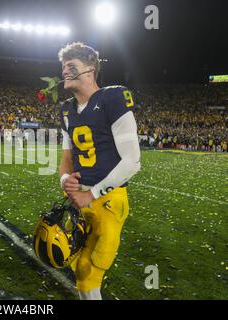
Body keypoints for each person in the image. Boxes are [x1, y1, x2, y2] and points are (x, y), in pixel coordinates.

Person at [57, 42, 141, 300]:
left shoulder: (113, 97)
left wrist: (91, 194)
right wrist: (65, 181)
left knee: (90, 269)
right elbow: (66, 160)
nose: (65, 72)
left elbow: (132, 161)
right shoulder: (66, 110)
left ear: (91, 70)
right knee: (78, 266)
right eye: (63, 68)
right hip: (79, 199)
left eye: (72, 66)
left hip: (107, 200)